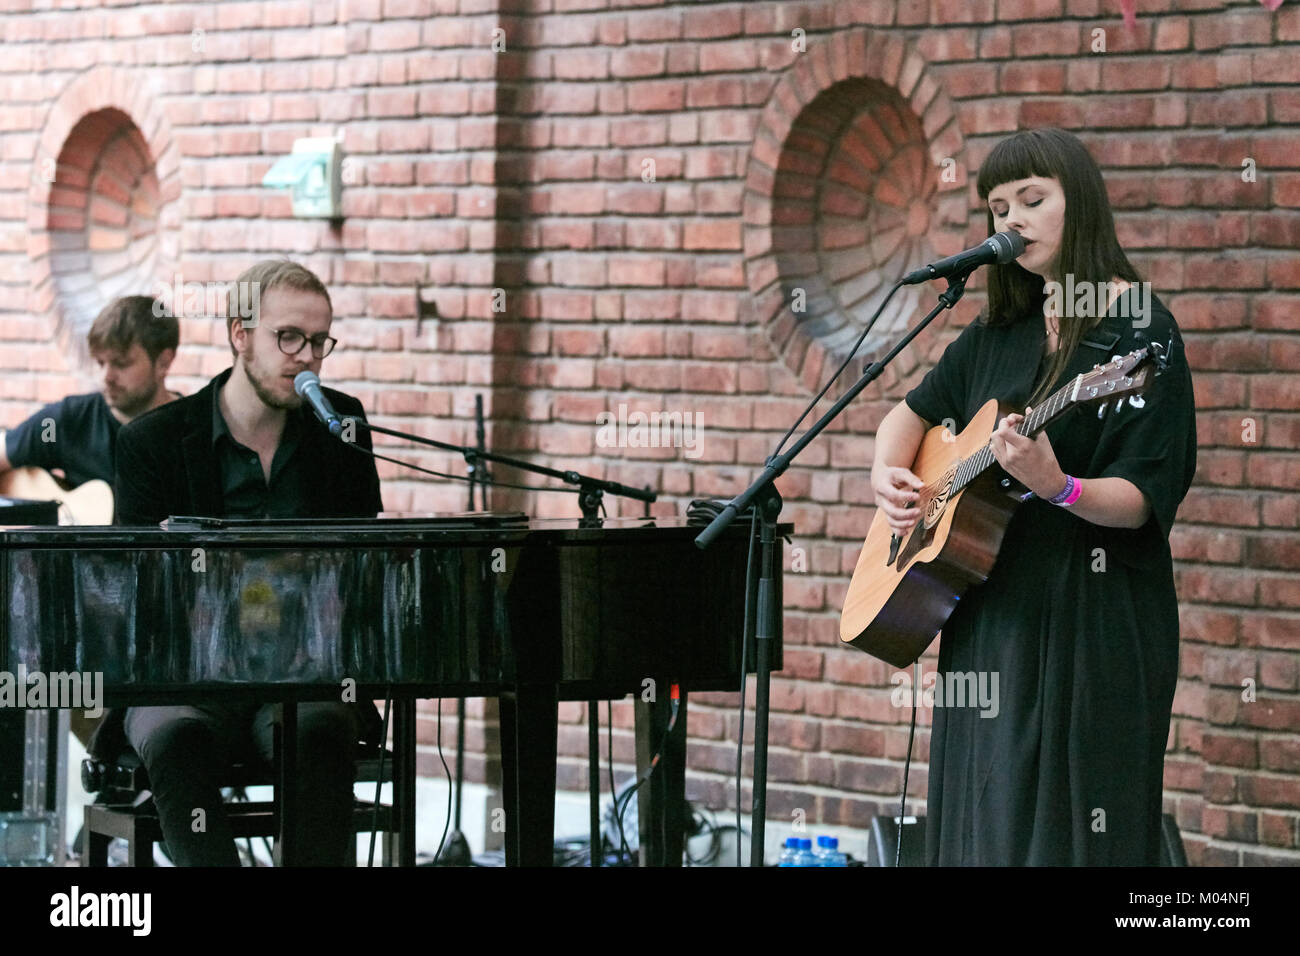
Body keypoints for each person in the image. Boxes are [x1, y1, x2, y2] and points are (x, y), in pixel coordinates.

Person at [870, 128, 1197, 865]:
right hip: (988, 608)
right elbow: (907, 414)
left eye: (1032, 199)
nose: (1011, 218)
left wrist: (1061, 486)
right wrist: (887, 476)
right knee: (981, 829)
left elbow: (1142, 497)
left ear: (1076, 202)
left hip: (1092, 617)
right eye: (997, 206)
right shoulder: (998, 331)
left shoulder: (1141, 328)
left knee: (1069, 832)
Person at [89, 259, 384, 866]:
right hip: (185, 677)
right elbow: (133, 594)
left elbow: (362, 574)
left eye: (319, 341)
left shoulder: (341, 429)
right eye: (288, 338)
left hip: (304, 673)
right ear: (239, 334)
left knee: (320, 735)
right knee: (176, 741)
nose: (306, 356)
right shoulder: (154, 443)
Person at [0, 295, 179, 487]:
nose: (106, 377)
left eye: (121, 363)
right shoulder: (68, 420)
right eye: (100, 362)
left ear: (163, 362)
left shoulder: (197, 431)